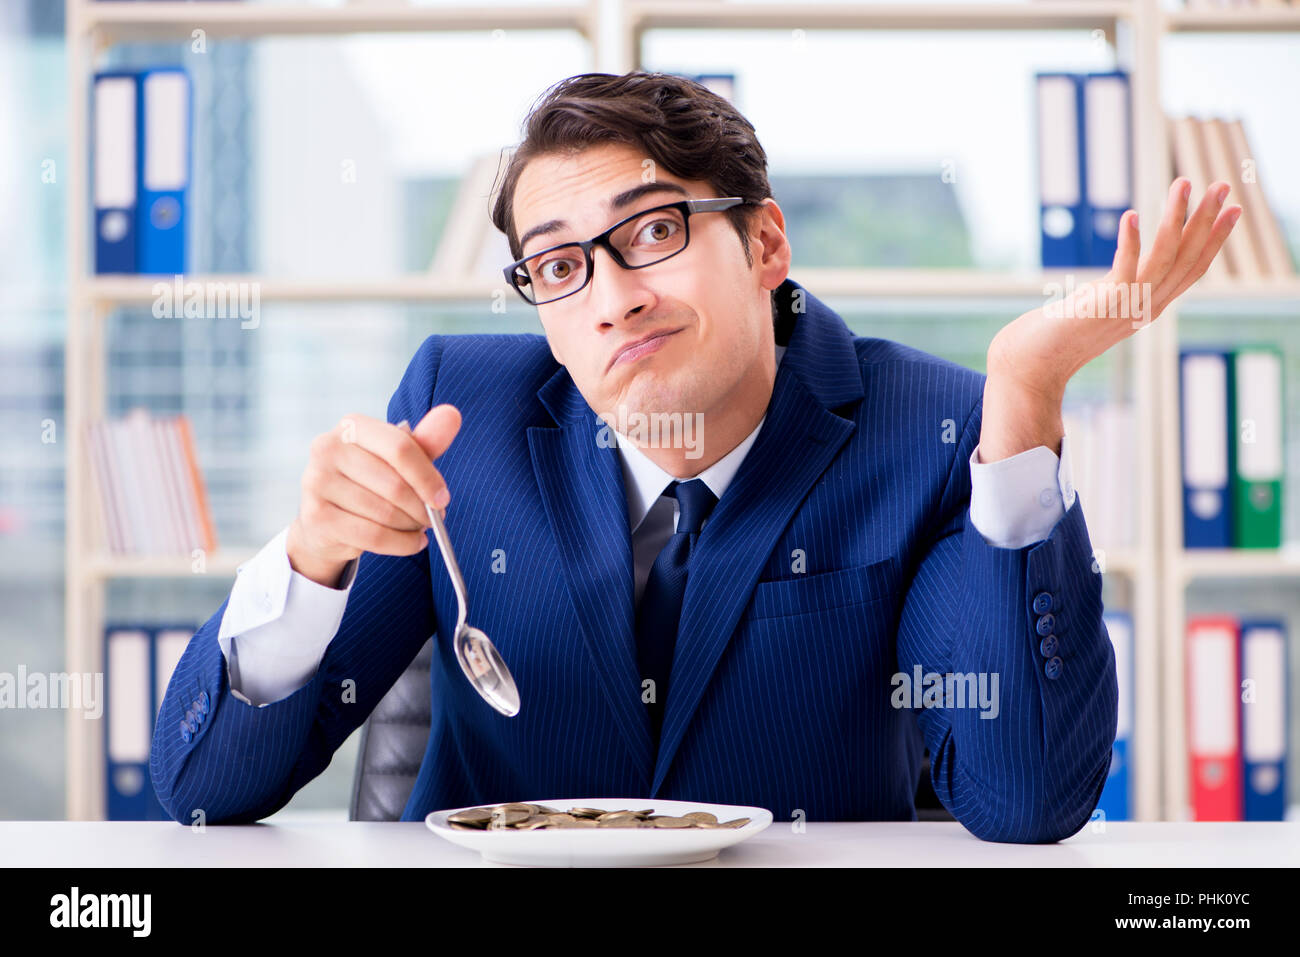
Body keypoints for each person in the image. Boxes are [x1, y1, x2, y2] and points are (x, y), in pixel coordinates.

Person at [151, 72, 1241, 843]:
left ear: (765, 244)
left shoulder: (932, 429)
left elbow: (1027, 801)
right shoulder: (460, 414)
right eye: (560, 265)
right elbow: (202, 794)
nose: (615, 295)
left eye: (656, 232)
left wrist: (1026, 406)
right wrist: (310, 565)